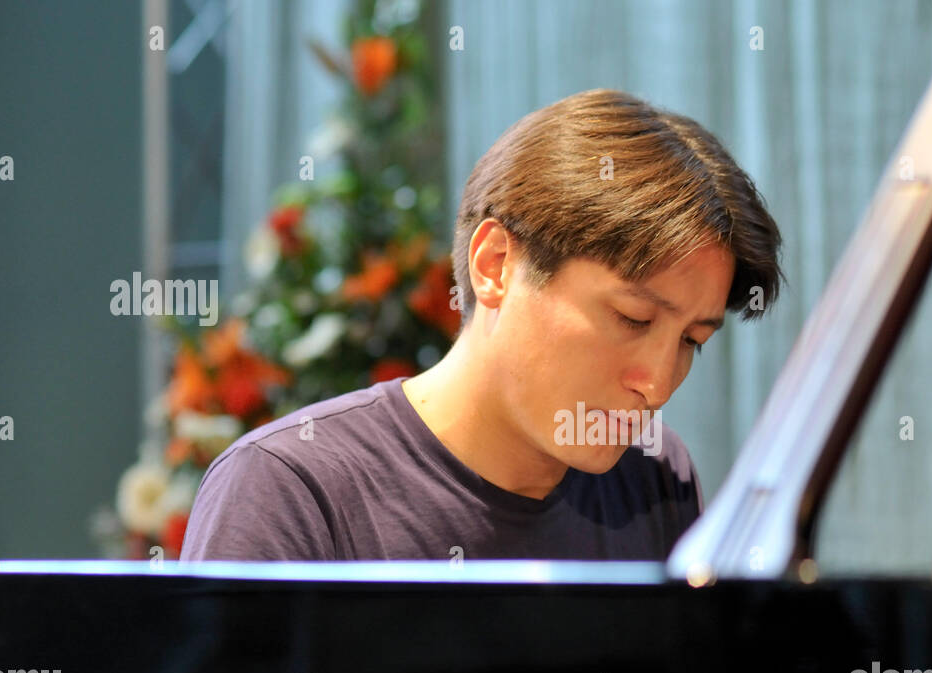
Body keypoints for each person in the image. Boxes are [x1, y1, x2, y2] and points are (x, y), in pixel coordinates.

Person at [180, 88, 783, 562]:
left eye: (690, 342)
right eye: (632, 317)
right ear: (495, 264)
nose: (656, 384)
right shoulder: (292, 491)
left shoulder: (653, 479)